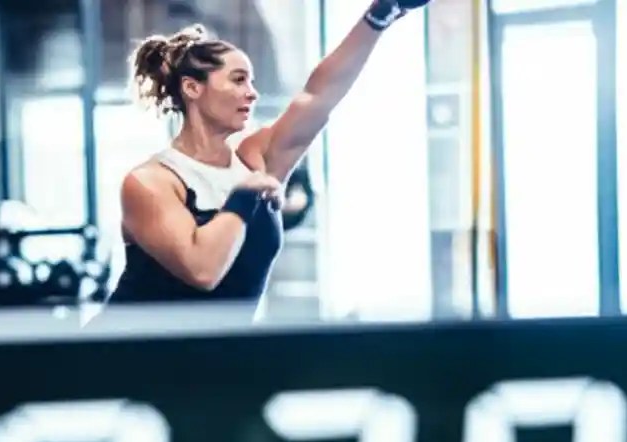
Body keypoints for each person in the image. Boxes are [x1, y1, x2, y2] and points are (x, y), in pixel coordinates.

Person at [94, 0, 432, 327]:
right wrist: (242, 197)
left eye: (252, 81)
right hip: (118, 367)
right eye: (238, 80)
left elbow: (318, 96)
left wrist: (380, 14)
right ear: (192, 88)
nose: (252, 93)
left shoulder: (255, 159)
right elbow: (203, 270)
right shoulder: (150, 183)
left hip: (212, 365)